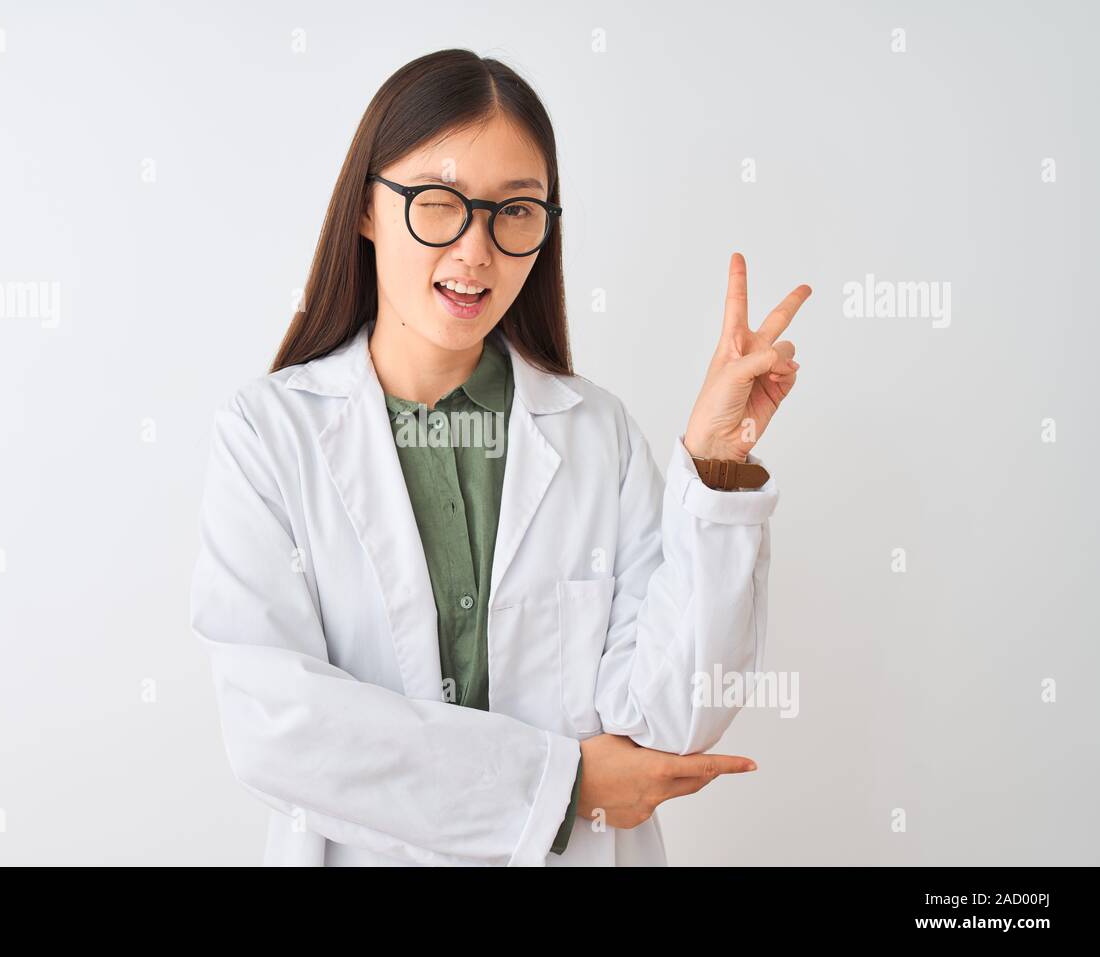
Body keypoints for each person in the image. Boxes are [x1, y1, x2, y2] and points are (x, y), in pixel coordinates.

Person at [189, 48, 808, 866]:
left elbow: (668, 718)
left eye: (515, 211)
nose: (477, 251)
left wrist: (716, 463)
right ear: (367, 209)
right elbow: (280, 729)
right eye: (438, 202)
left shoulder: (597, 433)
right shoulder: (270, 434)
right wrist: (565, 787)